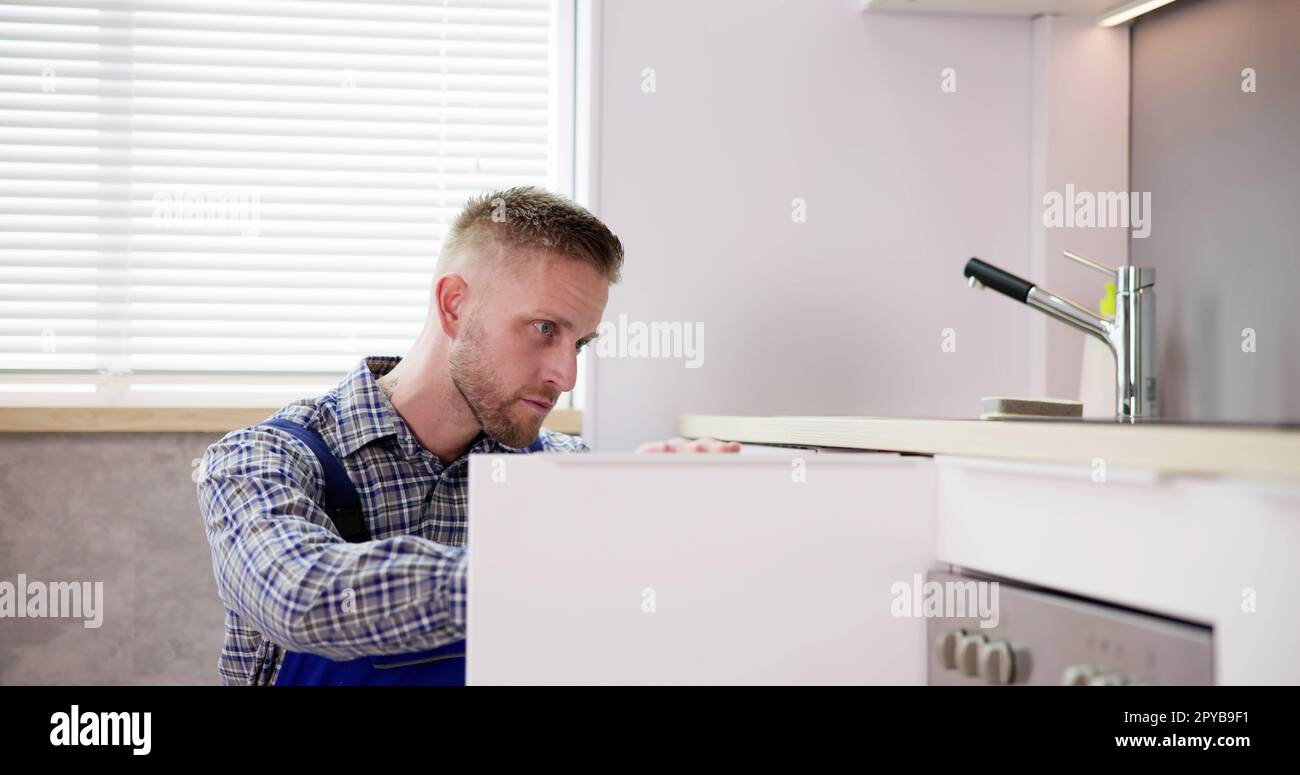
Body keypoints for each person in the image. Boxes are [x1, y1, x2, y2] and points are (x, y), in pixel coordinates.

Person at [197, 186, 738, 685]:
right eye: (545, 329)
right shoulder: (263, 458)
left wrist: (672, 528)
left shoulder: (562, 473)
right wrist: (545, 573)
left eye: (580, 344)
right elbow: (299, 596)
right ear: (454, 304)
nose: (566, 377)